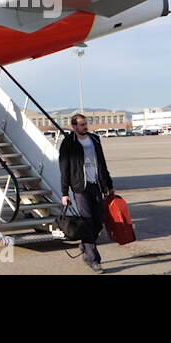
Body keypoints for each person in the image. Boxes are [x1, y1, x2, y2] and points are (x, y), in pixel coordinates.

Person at [59, 113, 115, 273]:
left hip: (95, 185)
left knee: (98, 222)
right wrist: (65, 192)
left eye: (86, 124)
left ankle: (84, 245)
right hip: (79, 188)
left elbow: (102, 163)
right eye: (82, 125)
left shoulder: (95, 140)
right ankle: (93, 259)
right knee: (87, 221)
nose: (85, 127)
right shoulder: (68, 143)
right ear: (74, 126)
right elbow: (64, 169)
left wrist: (109, 185)